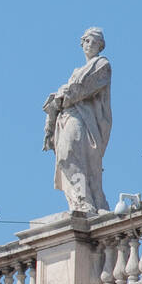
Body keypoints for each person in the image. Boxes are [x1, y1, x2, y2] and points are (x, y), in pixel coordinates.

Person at [44, 28, 112, 212]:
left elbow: (84, 87)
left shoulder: (102, 65)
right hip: (67, 117)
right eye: (87, 41)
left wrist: (63, 94)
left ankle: (85, 201)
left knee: (70, 154)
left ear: (100, 46)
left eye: (94, 42)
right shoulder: (77, 70)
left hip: (83, 119)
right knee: (67, 157)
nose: (89, 45)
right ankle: (80, 200)